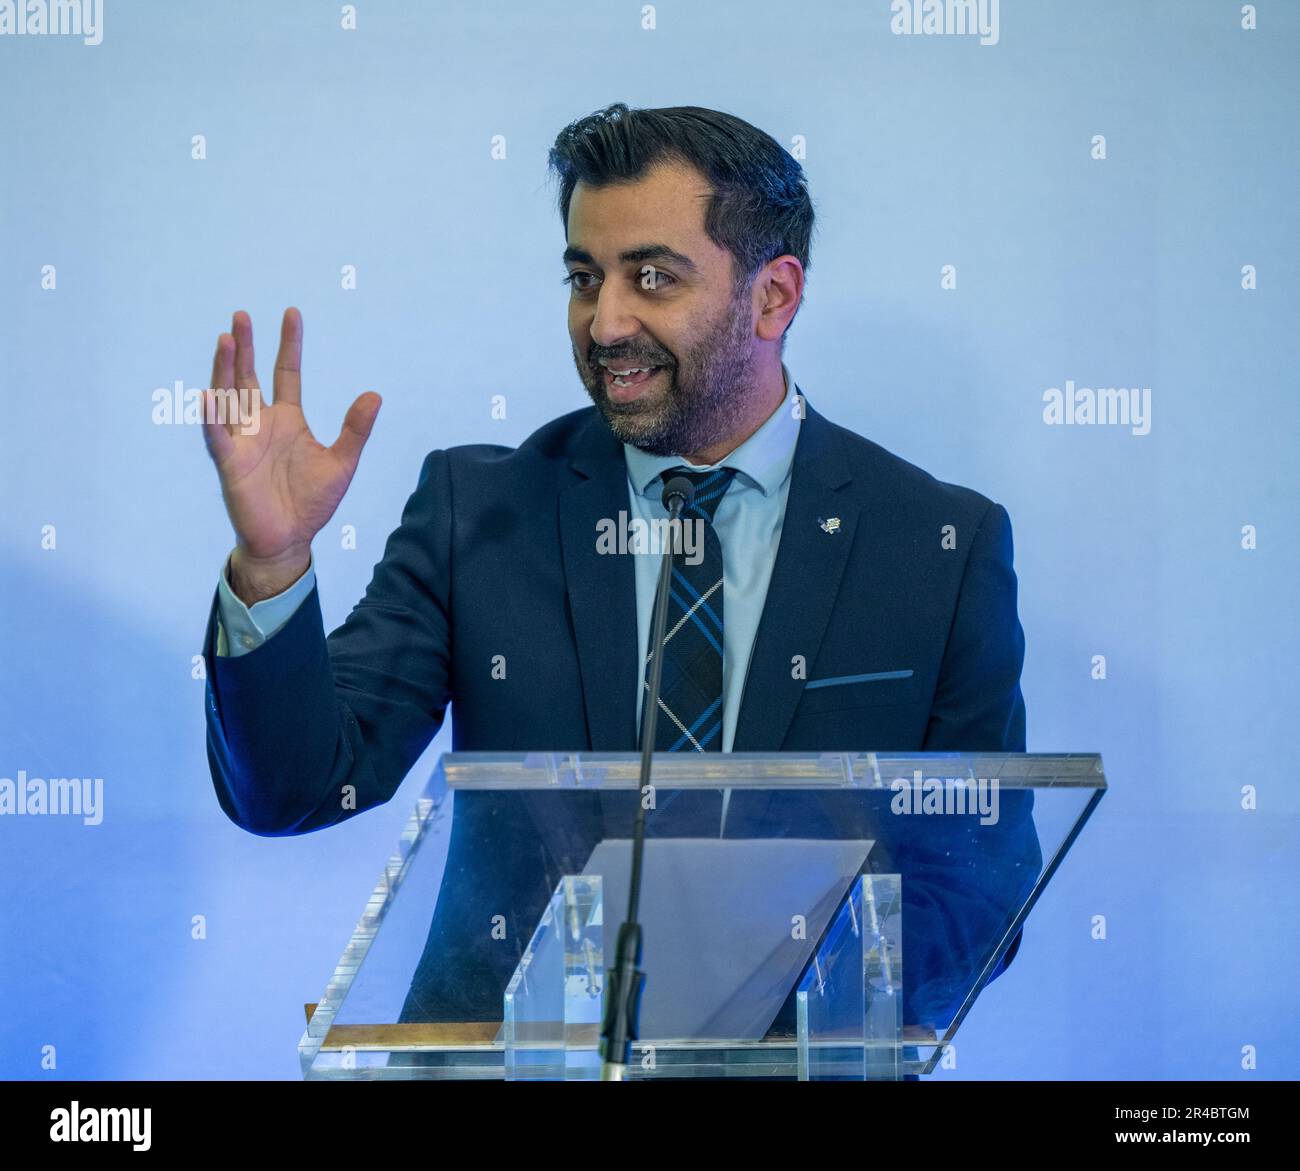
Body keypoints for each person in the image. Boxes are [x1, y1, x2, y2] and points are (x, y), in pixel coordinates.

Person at [200, 102, 1034, 1033]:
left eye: (652, 278)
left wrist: (757, 1039)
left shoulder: (936, 545)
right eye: (585, 277)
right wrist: (272, 563)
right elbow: (300, 786)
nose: (605, 323)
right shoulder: (480, 512)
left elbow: (980, 884)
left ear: (774, 295)